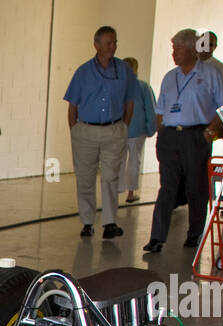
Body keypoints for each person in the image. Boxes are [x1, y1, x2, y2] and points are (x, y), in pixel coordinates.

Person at [144, 29, 223, 254]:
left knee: (196, 187)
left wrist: (210, 133)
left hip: (196, 135)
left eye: (178, 49)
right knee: (167, 188)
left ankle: (194, 233)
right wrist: (161, 132)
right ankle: (157, 237)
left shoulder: (212, 74)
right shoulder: (169, 77)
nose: (173, 53)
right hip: (170, 136)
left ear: (192, 50)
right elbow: (161, 109)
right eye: (173, 48)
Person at [63, 25, 135, 239]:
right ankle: (87, 221)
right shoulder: (83, 72)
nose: (112, 47)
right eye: (108, 43)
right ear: (96, 45)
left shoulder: (124, 70)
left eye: (115, 42)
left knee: (111, 177)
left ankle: (110, 222)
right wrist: (75, 130)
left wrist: (124, 125)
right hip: (85, 131)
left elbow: (130, 100)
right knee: (85, 178)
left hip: (113, 129)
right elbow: (72, 105)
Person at [121, 57, 157, 203]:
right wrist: (151, 129)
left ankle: (116, 190)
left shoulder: (117, 86)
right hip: (137, 130)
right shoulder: (142, 86)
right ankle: (130, 193)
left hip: (119, 130)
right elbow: (151, 109)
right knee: (134, 161)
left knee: (118, 161)